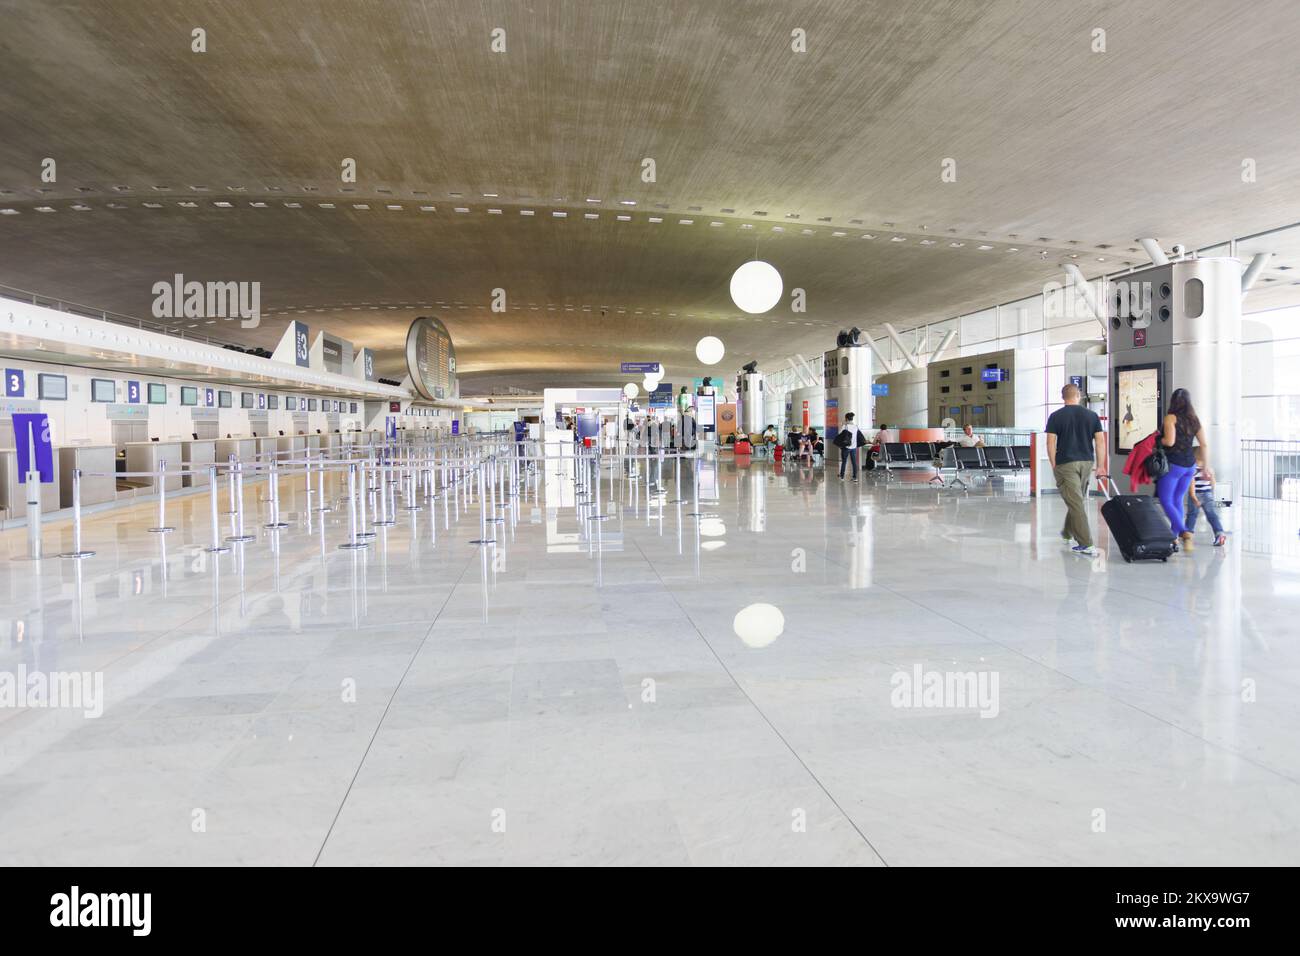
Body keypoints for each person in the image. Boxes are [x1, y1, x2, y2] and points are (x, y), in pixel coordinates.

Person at [1045, 383, 1108, 556]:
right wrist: (1101, 465)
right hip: (1087, 462)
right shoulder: (1092, 415)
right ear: (1078, 396)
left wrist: (1053, 463)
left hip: (1066, 463)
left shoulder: (1056, 416)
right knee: (1076, 500)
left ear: (1062, 397)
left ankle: (1086, 543)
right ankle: (1067, 532)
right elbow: (1100, 442)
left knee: (1075, 502)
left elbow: (1050, 442)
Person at [1157, 387, 1211, 552]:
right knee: (1178, 500)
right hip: (1190, 466)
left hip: (1174, 465)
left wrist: (1158, 439)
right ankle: (1173, 539)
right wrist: (1206, 467)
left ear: (1173, 401)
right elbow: (1204, 444)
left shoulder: (1170, 418)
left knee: (1166, 500)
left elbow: (1170, 442)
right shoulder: (1194, 420)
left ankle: (1185, 532)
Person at [1186, 445, 1227, 547]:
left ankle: (1188, 535)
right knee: (1212, 515)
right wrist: (1212, 494)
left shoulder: (1192, 470)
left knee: (1192, 515)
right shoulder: (1209, 469)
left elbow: (1192, 484)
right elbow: (1213, 484)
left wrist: (1193, 496)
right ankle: (1219, 533)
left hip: (1195, 495)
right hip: (1208, 494)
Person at [833, 412, 868, 481]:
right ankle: (855, 477)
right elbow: (859, 436)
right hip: (854, 447)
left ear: (846, 418)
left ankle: (842, 477)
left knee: (844, 461)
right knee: (854, 462)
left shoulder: (845, 427)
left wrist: (842, 425)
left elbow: (840, 435)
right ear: (852, 419)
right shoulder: (856, 426)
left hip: (846, 447)